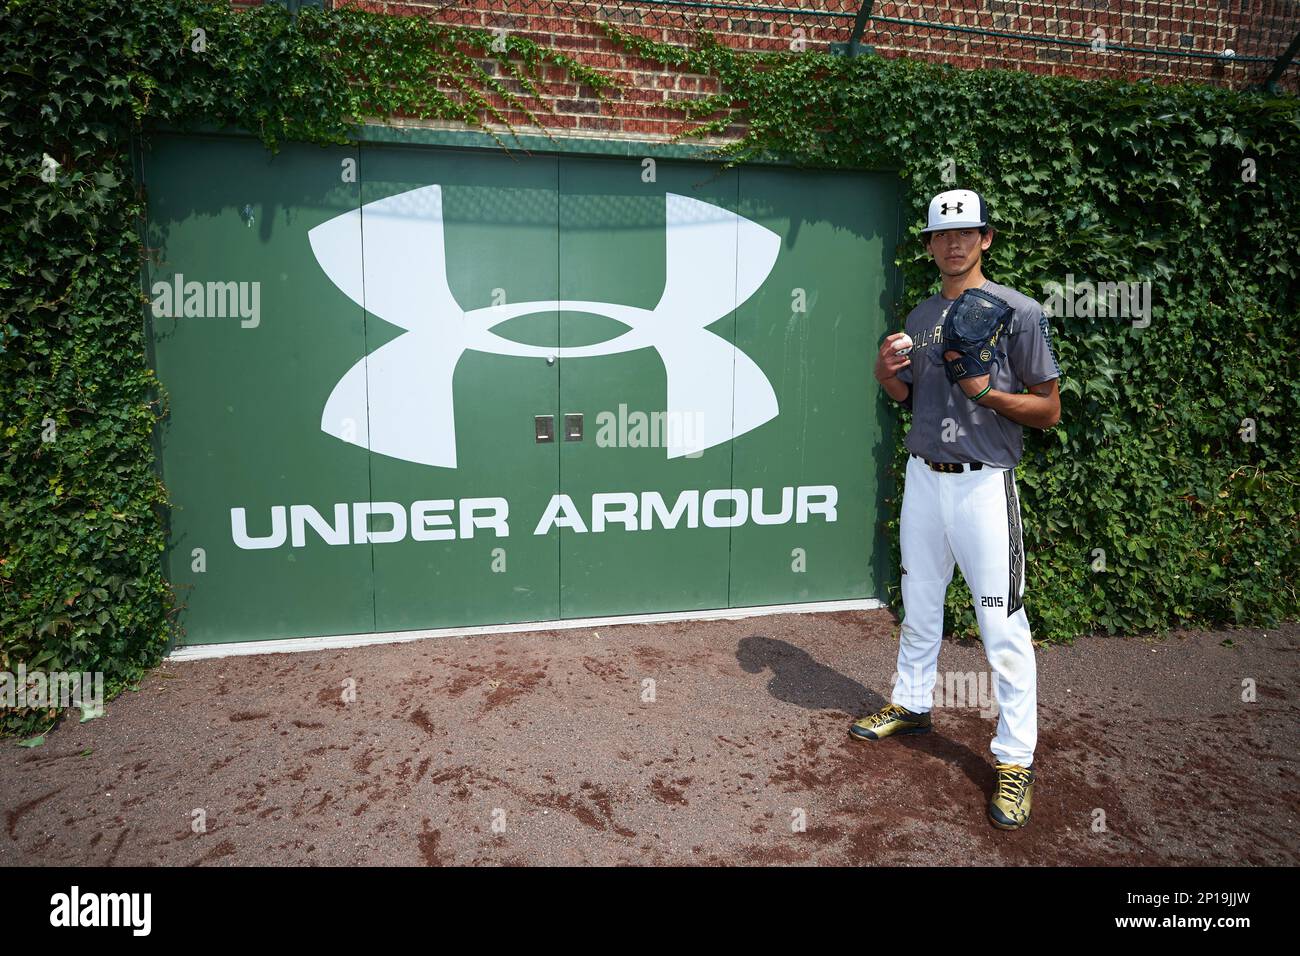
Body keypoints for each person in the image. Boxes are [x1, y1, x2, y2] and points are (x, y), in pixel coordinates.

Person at [851, 188, 1062, 831]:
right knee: (920, 601)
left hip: (982, 486)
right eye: (942, 235)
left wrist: (987, 393)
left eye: (966, 232)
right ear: (930, 246)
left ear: (986, 239)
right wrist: (885, 370)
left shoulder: (1018, 313)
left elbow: (1049, 410)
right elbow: (906, 396)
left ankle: (1015, 757)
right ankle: (913, 704)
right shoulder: (919, 315)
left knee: (1001, 626)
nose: (954, 243)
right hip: (924, 477)